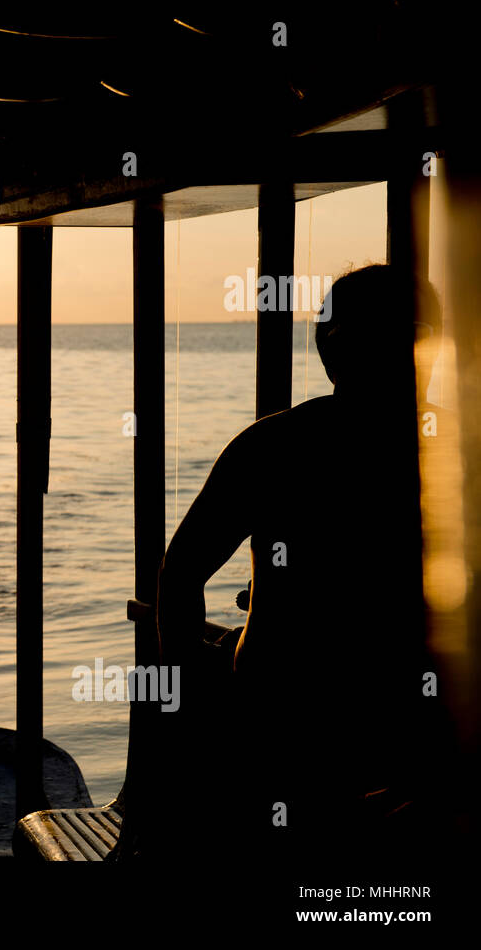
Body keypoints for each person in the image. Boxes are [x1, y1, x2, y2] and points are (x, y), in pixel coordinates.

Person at [151, 264, 445, 864]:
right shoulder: (450, 451)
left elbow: (181, 574)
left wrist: (185, 708)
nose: (409, 354)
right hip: (322, 739)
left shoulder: (273, 446)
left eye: (419, 337)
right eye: (393, 336)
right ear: (337, 353)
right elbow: (180, 574)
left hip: (340, 739)